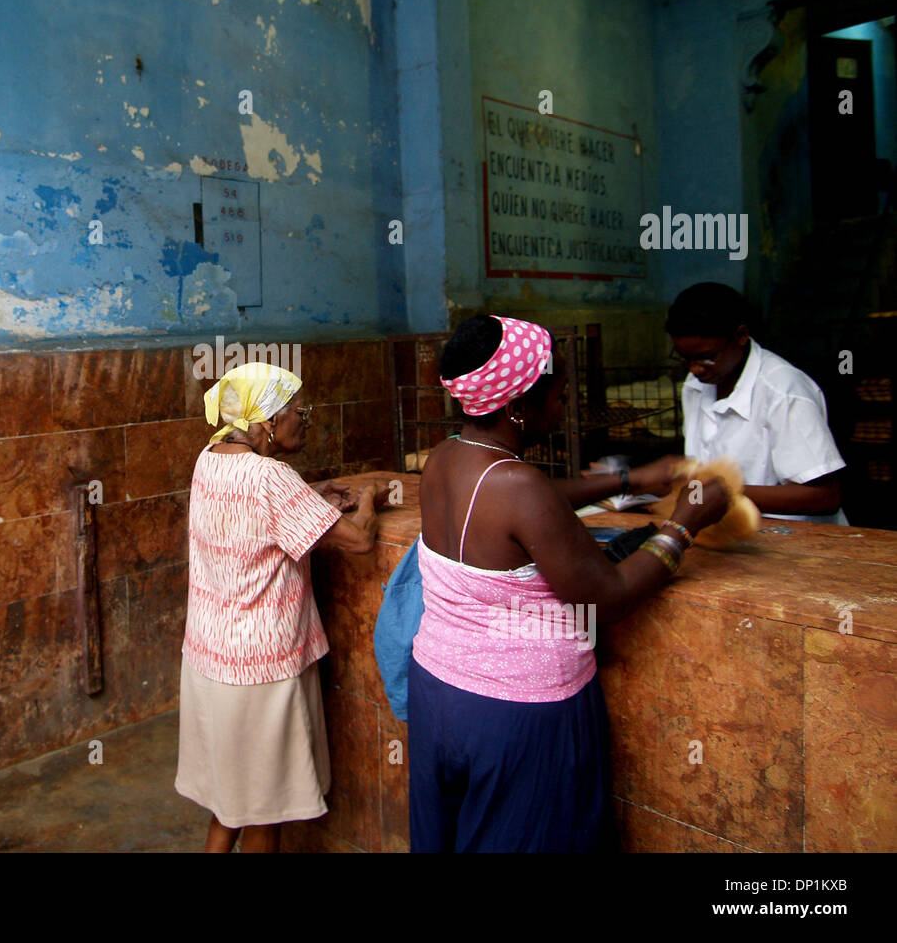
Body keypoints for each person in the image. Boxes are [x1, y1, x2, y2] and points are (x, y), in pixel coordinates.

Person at [409, 315, 730, 852]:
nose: (564, 399)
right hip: (518, 714)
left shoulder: (447, 457)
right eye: (557, 391)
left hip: (440, 692)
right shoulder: (519, 486)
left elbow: (531, 502)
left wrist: (630, 478)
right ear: (518, 407)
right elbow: (610, 597)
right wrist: (686, 523)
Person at [176, 361, 378, 853]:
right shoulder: (272, 478)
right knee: (264, 814)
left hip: (211, 659)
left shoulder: (210, 457)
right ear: (268, 422)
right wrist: (370, 498)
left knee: (230, 806)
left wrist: (313, 495)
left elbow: (255, 514)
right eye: (299, 412)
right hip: (261, 670)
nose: (305, 420)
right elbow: (359, 542)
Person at [666, 282, 847, 523]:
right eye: (685, 358)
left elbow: (824, 496)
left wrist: (721, 493)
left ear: (741, 336)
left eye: (707, 358)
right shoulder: (695, 385)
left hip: (795, 541)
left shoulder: (783, 390)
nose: (695, 368)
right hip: (728, 532)